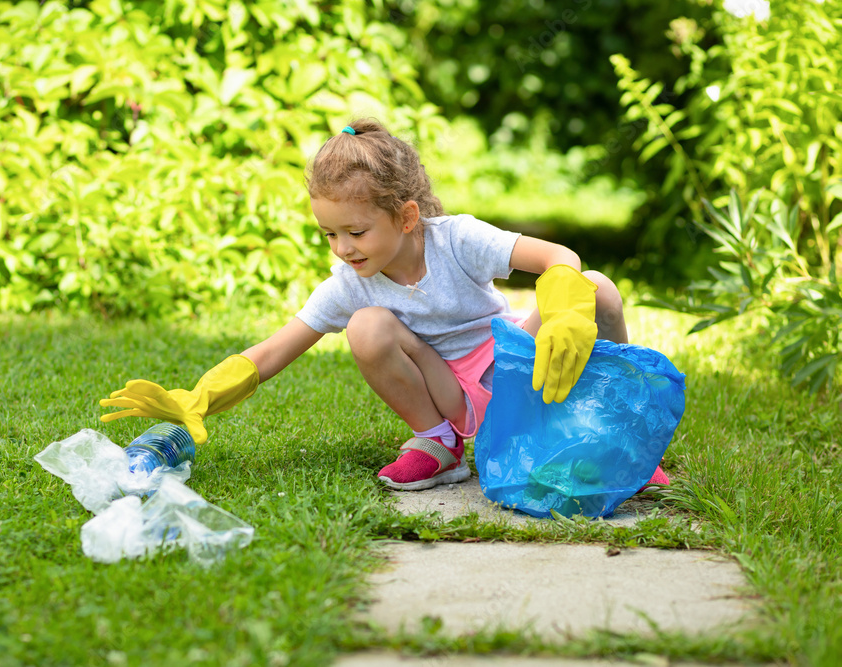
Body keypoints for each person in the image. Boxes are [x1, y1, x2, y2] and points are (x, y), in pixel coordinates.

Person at [99, 119, 669, 492]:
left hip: (518, 359)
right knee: (367, 328)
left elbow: (557, 255)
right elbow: (276, 348)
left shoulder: (458, 238)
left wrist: (568, 310)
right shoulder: (351, 283)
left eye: (356, 231)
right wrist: (200, 397)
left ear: (406, 217)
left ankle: (619, 427)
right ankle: (440, 445)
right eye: (329, 234)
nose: (343, 249)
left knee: (596, 285)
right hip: (454, 393)